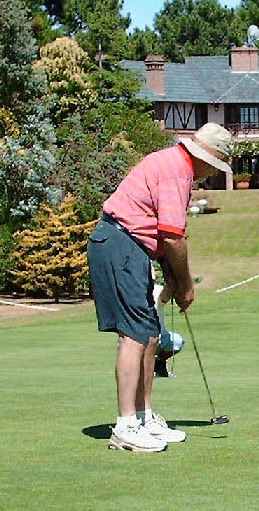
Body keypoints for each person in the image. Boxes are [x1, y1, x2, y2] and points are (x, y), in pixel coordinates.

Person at [87, 123, 233, 451]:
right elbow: (172, 236)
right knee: (135, 334)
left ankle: (142, 416)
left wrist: (171, 275)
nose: (211, 174)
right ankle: (126, 426)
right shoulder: (177, 172)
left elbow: (161, 234)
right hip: (119, 243)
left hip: (131, 246)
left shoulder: (172, 163)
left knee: (150, 334)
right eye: (215, 165)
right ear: (207, 158)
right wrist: (185, 286)